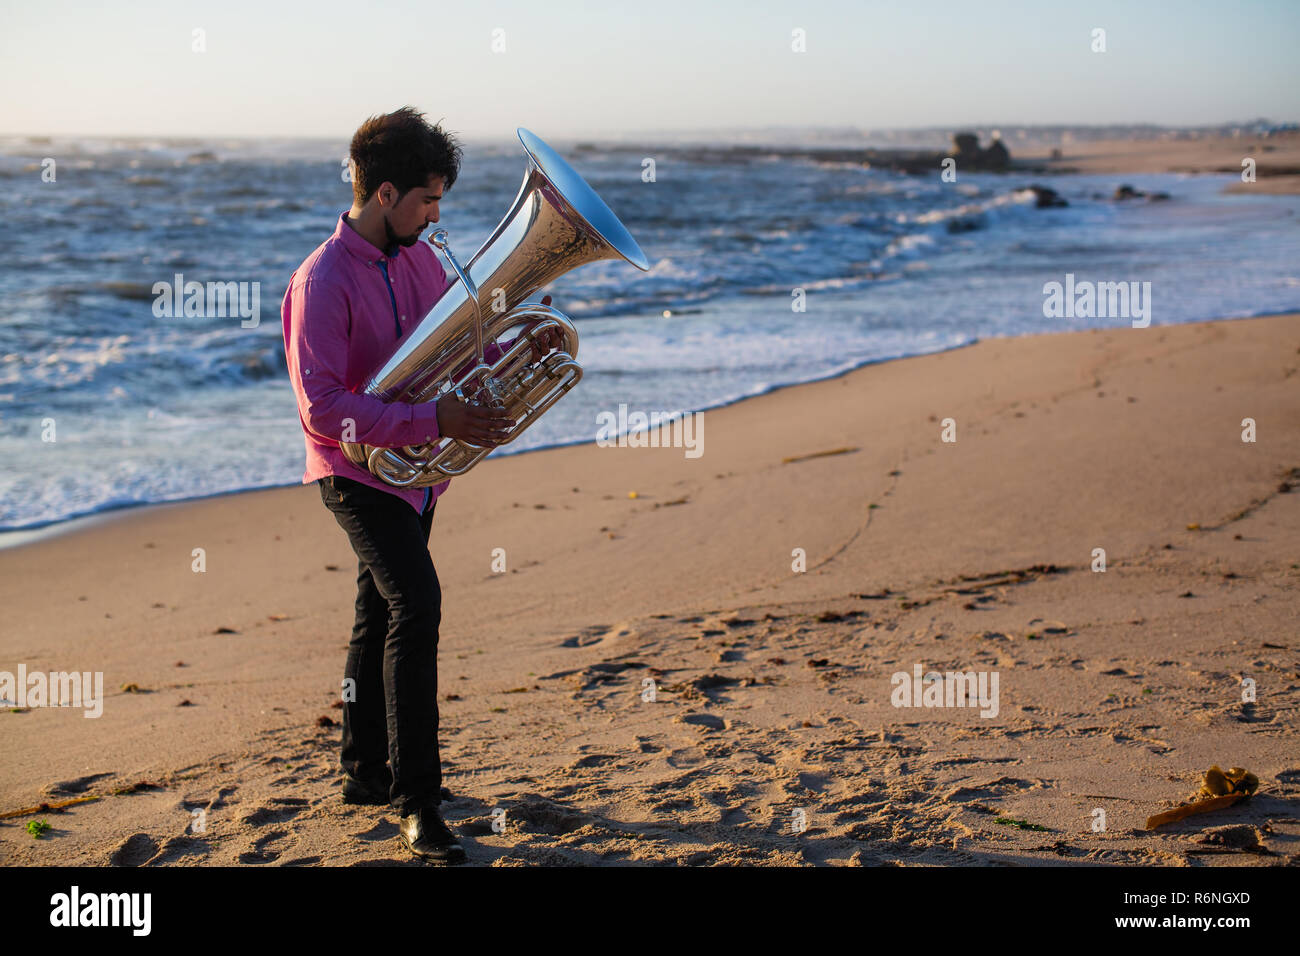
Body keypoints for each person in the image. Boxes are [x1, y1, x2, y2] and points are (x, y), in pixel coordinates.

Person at [280, 106, 562, 864]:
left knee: (377, 613)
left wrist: (514, 343)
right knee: (417, 607)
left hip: (413, 476)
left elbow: (457, 345)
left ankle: (363, 773)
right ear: (384, 194)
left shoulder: (422, 261)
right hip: (352, 472)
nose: (438, 216)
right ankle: (418, 802)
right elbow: (323, 409)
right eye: (428, 200)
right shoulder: (322, 279)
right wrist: (438, 414)